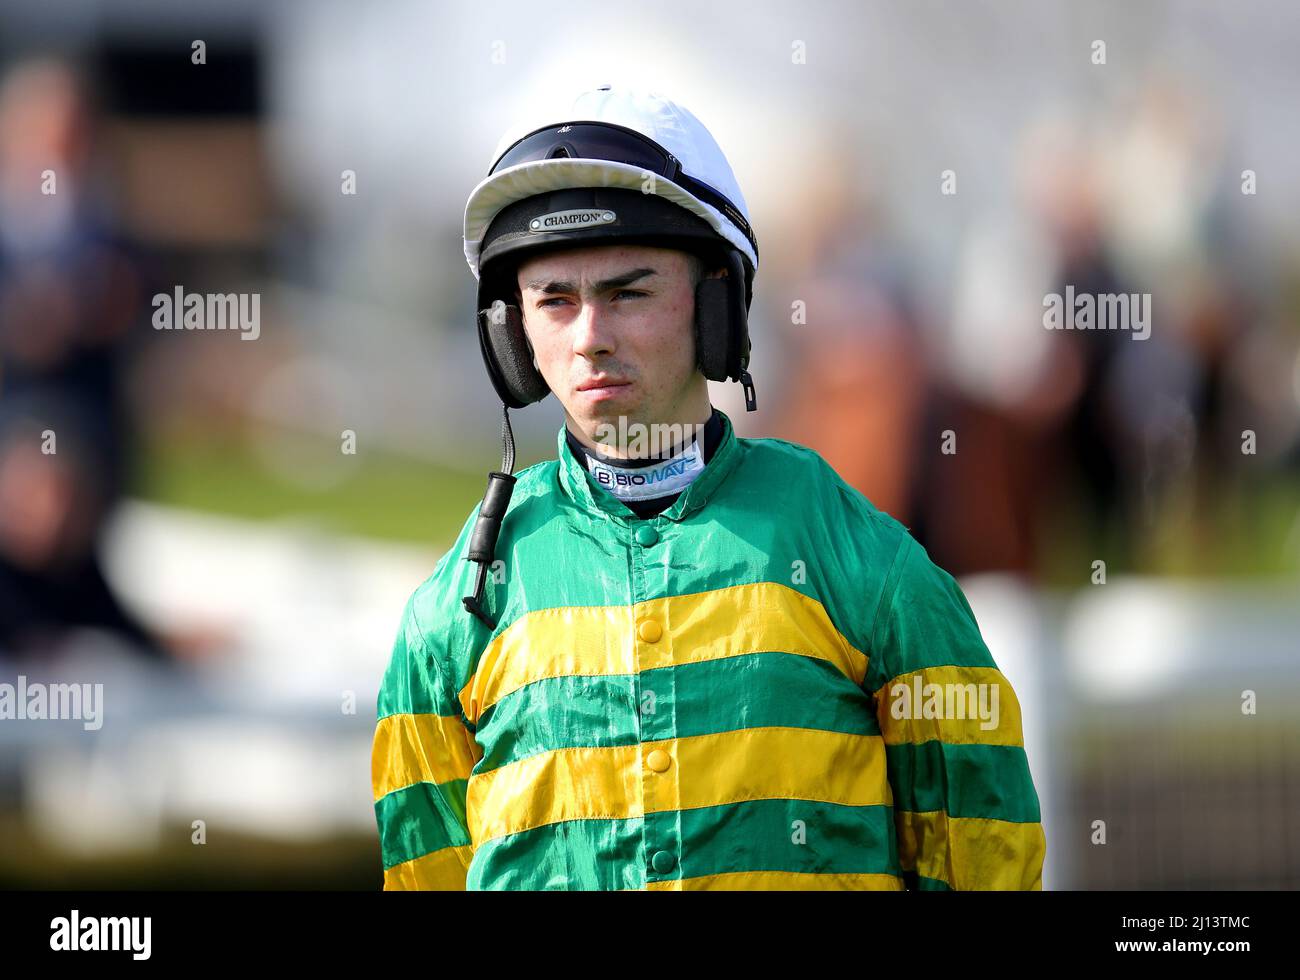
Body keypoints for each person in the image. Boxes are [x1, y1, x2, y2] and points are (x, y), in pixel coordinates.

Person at [370, 84, 1045, 890]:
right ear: (511, 336)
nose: (590, 337)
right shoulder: (452, 613)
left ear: (717, 303)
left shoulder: (858, 557)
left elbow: (982, 849)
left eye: (629, 292)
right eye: (555, 300)